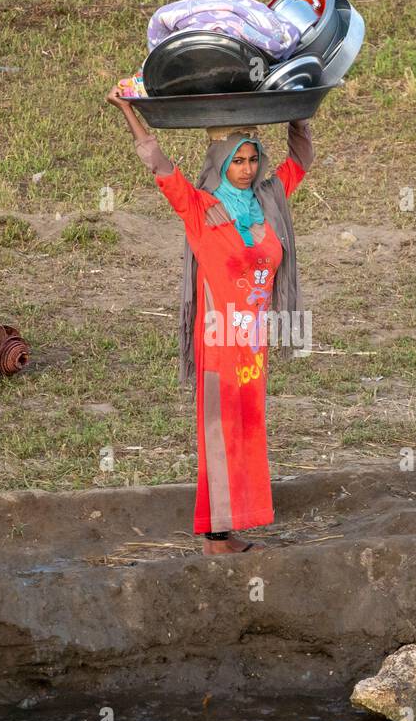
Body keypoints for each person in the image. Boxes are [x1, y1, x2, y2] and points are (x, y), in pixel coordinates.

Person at [107, 86, 313, 553]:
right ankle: (215, 536)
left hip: (253, 343)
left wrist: (300, 107)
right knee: (220, 435)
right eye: (237, 161)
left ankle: (231, 526)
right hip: (219, 343)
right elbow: (157, 162)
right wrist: (128, 111)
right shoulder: (200, 209)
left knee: (248, 431)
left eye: (252, 160)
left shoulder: (269, 200)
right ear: (220, 162)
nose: (247, 169)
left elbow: (302, 156)